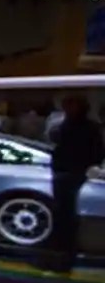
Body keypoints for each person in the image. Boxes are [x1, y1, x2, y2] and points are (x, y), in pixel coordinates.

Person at [41, 94, 104, 273]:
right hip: (67, 172)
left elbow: (95, 152)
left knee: (65, 216)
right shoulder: (70, 125)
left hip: (70, 173)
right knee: (62, 214)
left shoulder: (81, 127)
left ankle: (62, 257)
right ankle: (60, 255)